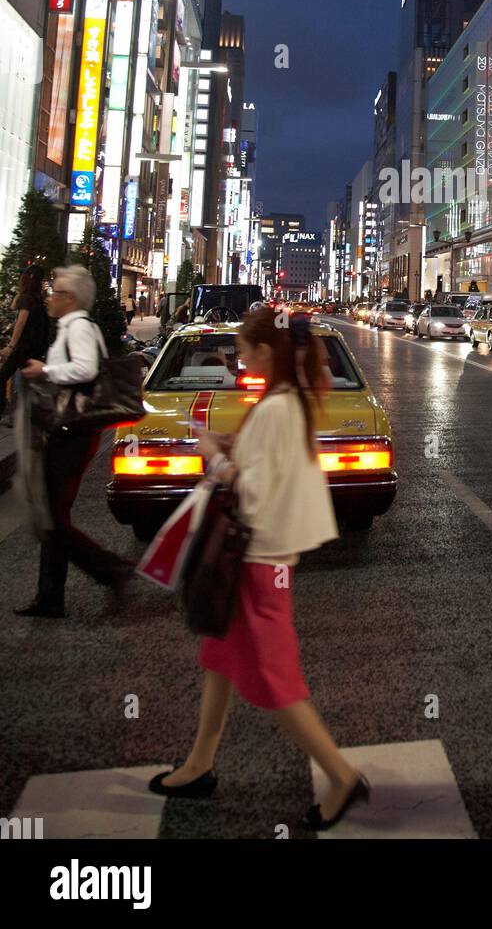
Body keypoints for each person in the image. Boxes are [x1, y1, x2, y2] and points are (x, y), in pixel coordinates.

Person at [148, 308, 369, 832]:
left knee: (273, 679)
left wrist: (214, 456)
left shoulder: (274, 408)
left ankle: (340, 775)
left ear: (265, 354)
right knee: (219, 656)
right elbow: (273, 464)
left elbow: (253, 489)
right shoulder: (287, 401)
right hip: (262, 557)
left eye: (244, 352)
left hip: (258, 560)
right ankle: (200, 762)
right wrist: (231, 447)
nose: (236, 360)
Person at [14, 265, 133, 620]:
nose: (50, 297)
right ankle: (50, 597)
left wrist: (45, 371)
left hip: (72, 433)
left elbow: (86, 370)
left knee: (52, 517)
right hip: (72, 432)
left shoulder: (78, 327)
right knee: (53, 516)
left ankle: (110, 568)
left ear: (72, 298)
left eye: (57, 291)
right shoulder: (73, 327)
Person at [0, 267, 50, 425]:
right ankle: (20, 415)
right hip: (34, 348)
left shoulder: (28, 298)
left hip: (23, 348)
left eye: (23, 275)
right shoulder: (36, 297)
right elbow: (14, 306)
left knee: (2, 377)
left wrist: (11, 346)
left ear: (28, 278)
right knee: (26, 382)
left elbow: (21, 321)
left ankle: (7, 413)